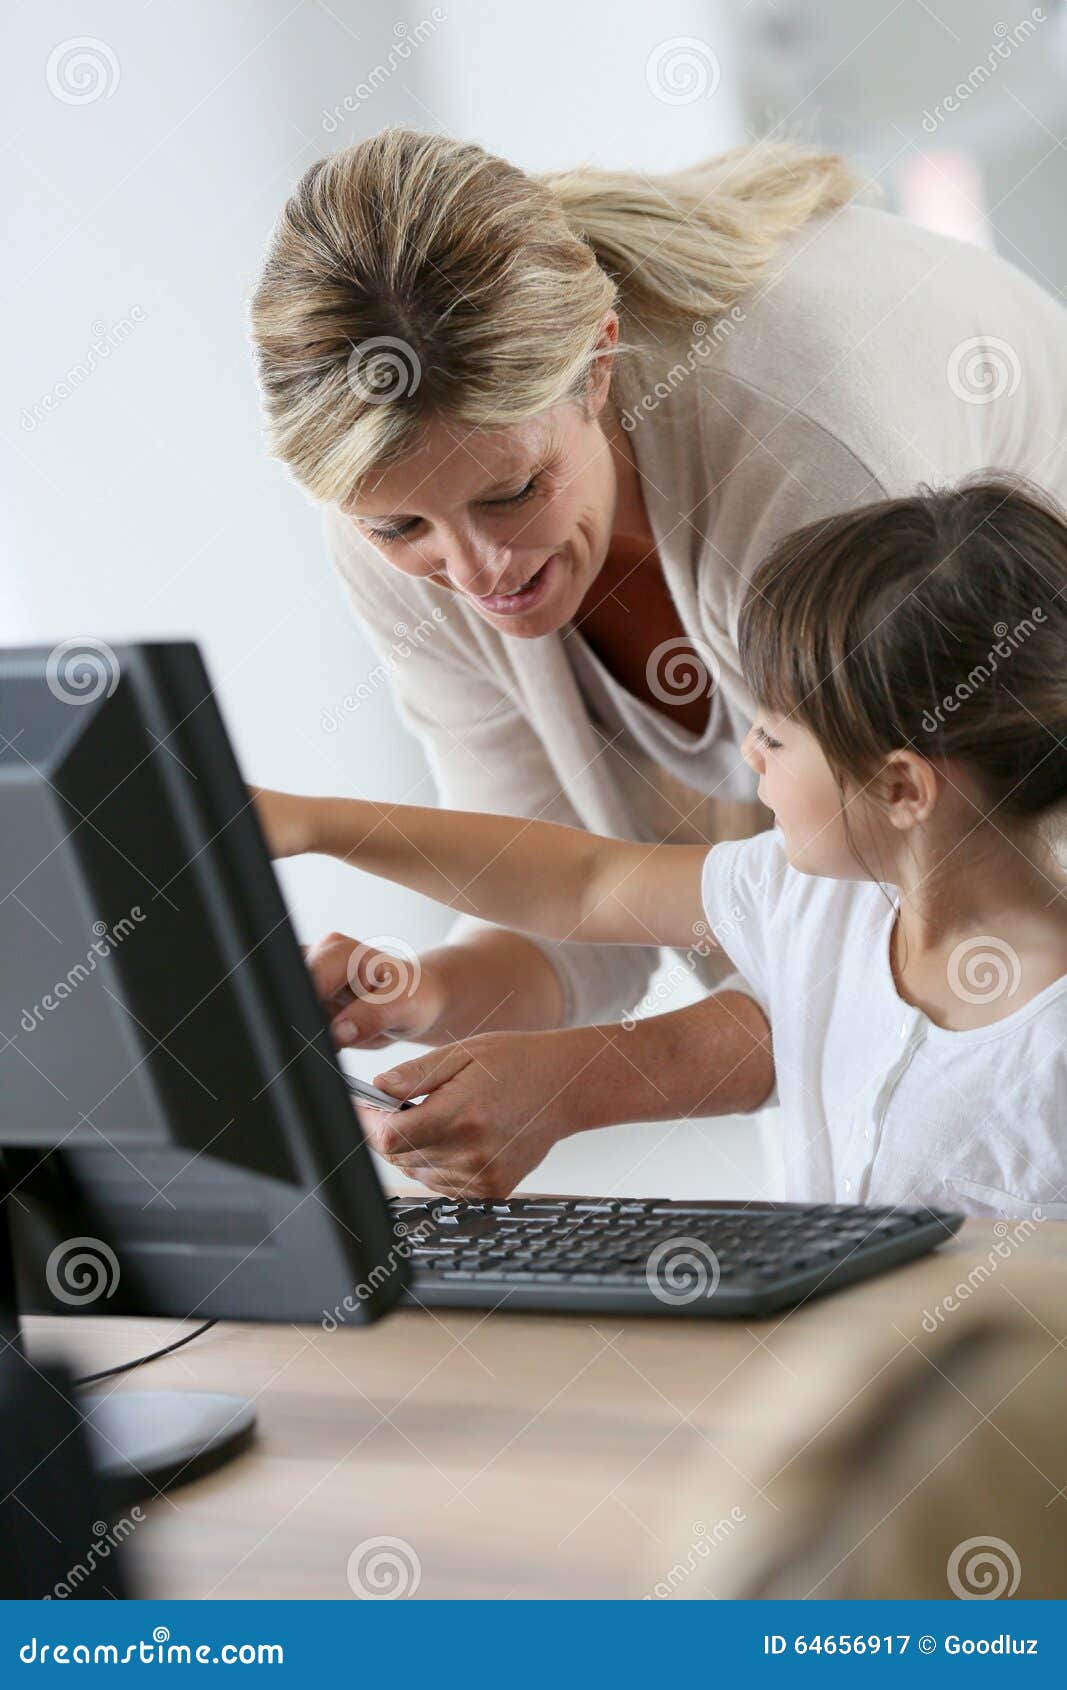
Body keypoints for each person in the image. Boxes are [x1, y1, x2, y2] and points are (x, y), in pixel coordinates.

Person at [248, 128, 1067, 1105]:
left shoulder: (807, 469)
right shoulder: (397, 497)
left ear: (597, 364)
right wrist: (421, 994)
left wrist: (571, 1089)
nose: (474, 570)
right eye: (398, 526)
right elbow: (572, 900)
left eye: (511, 493)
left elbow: (885, 968)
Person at [254, 478, 1067, 1215]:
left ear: (898, 789)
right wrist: (315, 825)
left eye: (775, 736)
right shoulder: (804, 897)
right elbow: (581, 881)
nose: (747, 752)